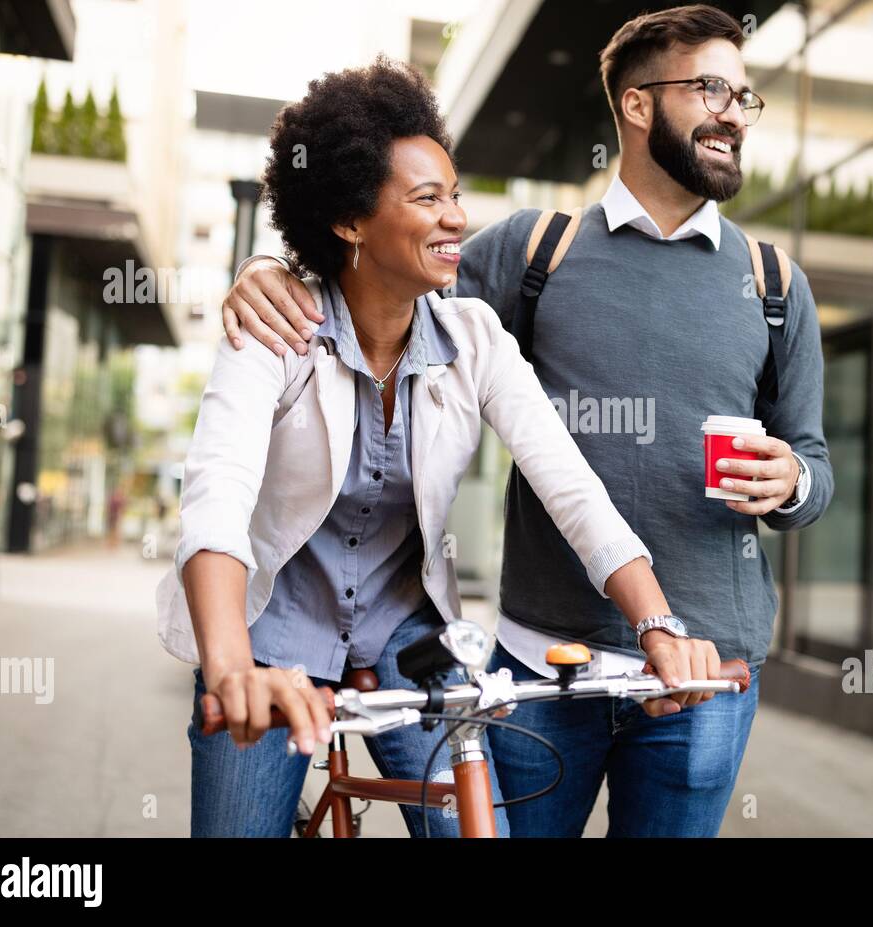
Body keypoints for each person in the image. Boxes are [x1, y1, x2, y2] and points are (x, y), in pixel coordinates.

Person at [221, 4, 834, 837]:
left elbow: (813, 460)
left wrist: (794, 479)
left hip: (707, 666)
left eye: (744, 95)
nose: (733, 110)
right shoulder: (534, 252)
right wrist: (270, 266)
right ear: (639, 105)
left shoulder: (774, 283)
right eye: (711, 87)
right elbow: (374, 280)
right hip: (542, 663)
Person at [156, 56, 720, 838]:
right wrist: (229, 667)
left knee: (474, 826)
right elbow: (215, 494)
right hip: (271, 634)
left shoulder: (473, 335)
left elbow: (570, 486)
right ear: (350, 221)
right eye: (427, 198)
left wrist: (659, 624)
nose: (456, 216)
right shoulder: (278, 330)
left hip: (405, 635)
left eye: (454, 195)